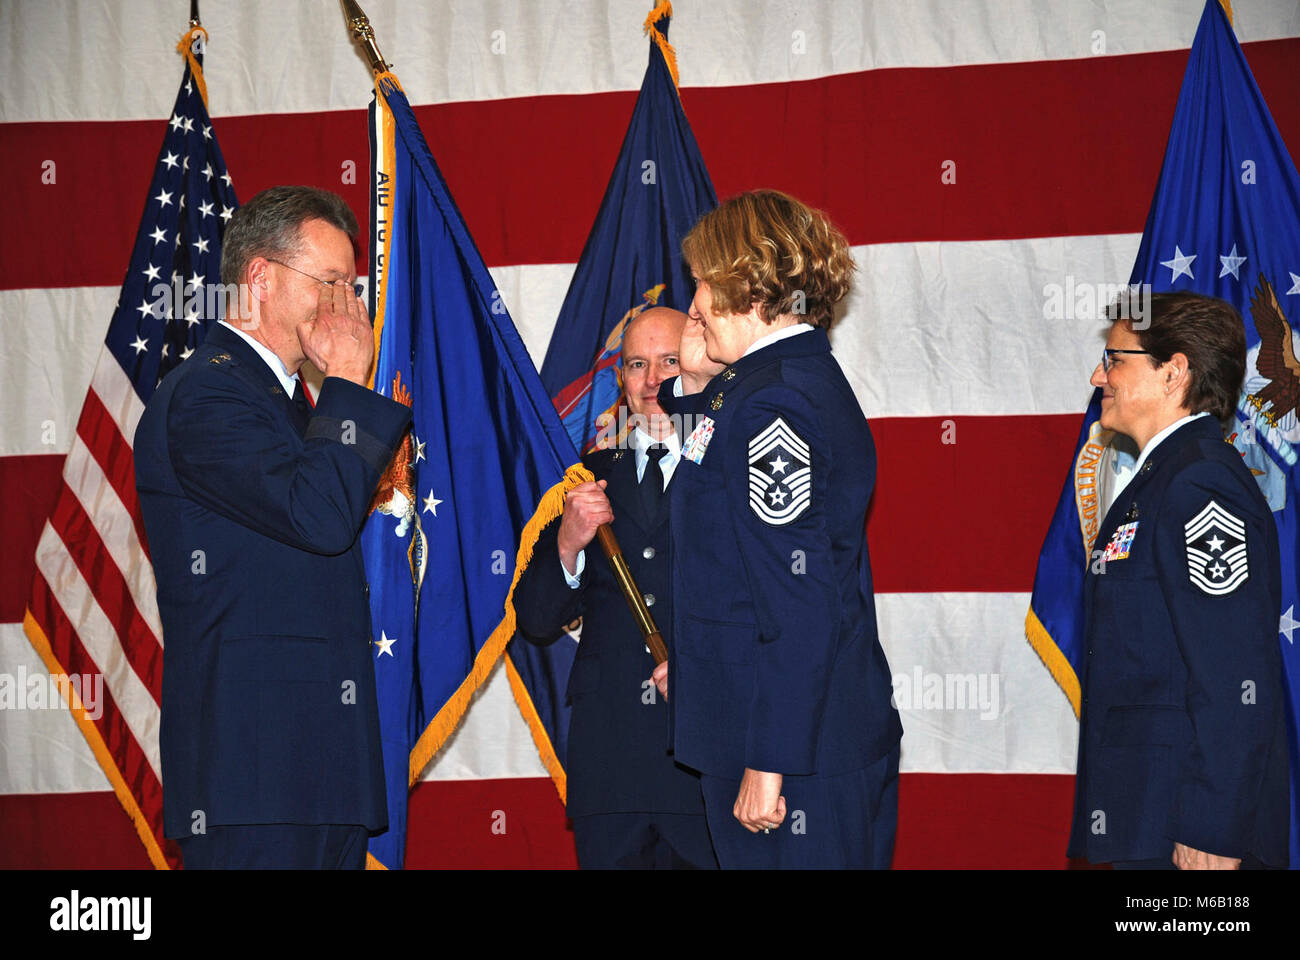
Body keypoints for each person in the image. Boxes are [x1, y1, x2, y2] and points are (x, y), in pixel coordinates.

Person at [134, 186, 412, 869]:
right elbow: (317, 516)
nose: (349, 307)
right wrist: (349, 376)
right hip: (255, 776)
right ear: (259, 279)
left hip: (317, 772)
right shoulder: (207, 393)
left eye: (353, 287)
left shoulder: (282, 402)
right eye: (332, 284)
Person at [653, 190, 903, 868]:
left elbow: (800, 599)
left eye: (705, 281)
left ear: (753, 289)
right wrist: (698, 378)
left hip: (794, 755)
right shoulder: (767, 387)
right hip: (776, 726)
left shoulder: (774, 407)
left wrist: (770, 760)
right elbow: (724, 511)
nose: (695, 301)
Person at [1067, 292, 1289, 869]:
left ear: (1174, 371)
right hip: (1149, 818)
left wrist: (1212, 828)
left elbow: (1235, 673)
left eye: (1115, 358)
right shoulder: (1162, 481)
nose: (1099, 375)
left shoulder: (1199, 486)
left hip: (1187, 832)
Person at [514, 306, 719, 869]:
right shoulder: (586, 476)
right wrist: (568, 545)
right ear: (620, 379)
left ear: (700, 363)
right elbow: (534, 620)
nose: (652, 380)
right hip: (611, 766)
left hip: (704, 764)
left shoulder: (731, 468)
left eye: (669, 361)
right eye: (636, 365)